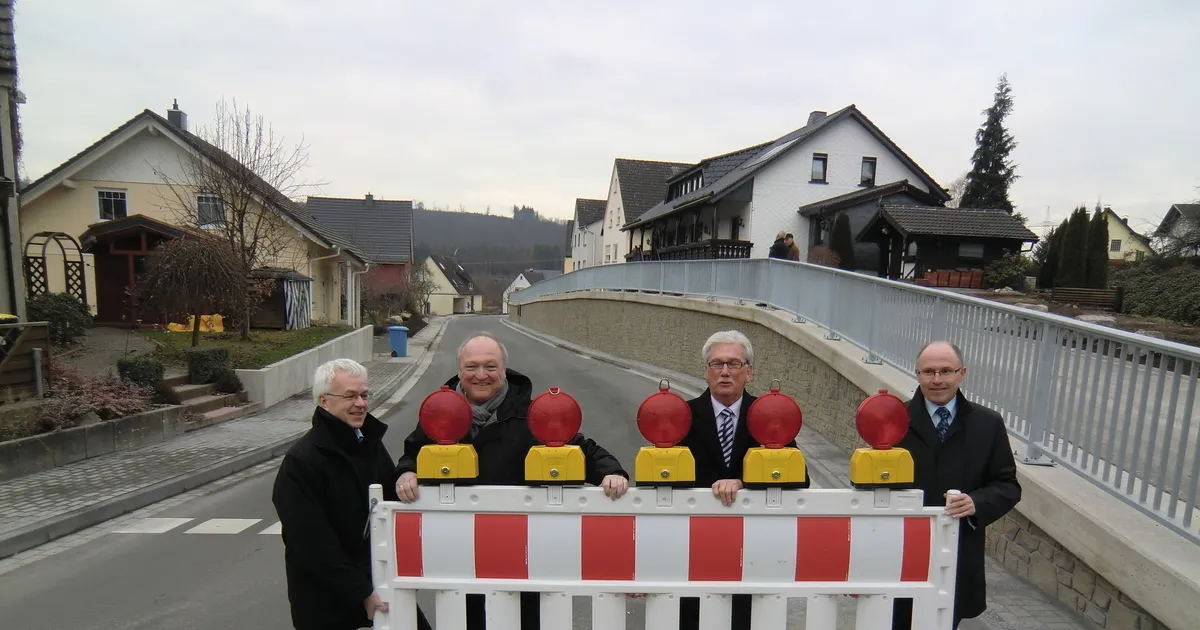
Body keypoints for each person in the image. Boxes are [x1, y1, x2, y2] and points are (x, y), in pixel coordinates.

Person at [393, 331, 630, 630]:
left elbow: (583, 450)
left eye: (490, 366)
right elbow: (413, 453)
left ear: (504, 370)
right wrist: (407, 472)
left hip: (524, 554)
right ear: (459, 371)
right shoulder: (438, 413)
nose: (481, 375)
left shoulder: (533, 415)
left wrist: (611, 473)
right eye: (472, 367)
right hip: (461, 553)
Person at [272, 359, 432, 630]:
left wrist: (407, 474)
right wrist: (361, 592)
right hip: (327, 603)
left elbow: (390, 503)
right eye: (350, 396)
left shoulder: (368, 443)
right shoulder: (301, 462)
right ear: (324, 401)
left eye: (364, 395)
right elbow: (312, 544)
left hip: (378, 583)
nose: (361, 403)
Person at [675, 330, 807, 630]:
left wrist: (746, 482)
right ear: (706, 371)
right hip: (694, 548)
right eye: (717, 364)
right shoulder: (680, 416)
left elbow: (799, 477)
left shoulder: (771, 416)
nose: (725, 372)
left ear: (749, 372)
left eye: (734, 364)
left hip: (754, 551)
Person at [891, 341, 1021, 629]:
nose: (937, 379)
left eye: (946, 371)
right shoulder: (892, 421)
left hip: (958, 553)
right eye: (929, 372)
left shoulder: (988, 424)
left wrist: (977, 503)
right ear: (917, 374)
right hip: (901, 555)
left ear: (962, 373)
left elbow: (1007, 485)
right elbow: (869, 487)